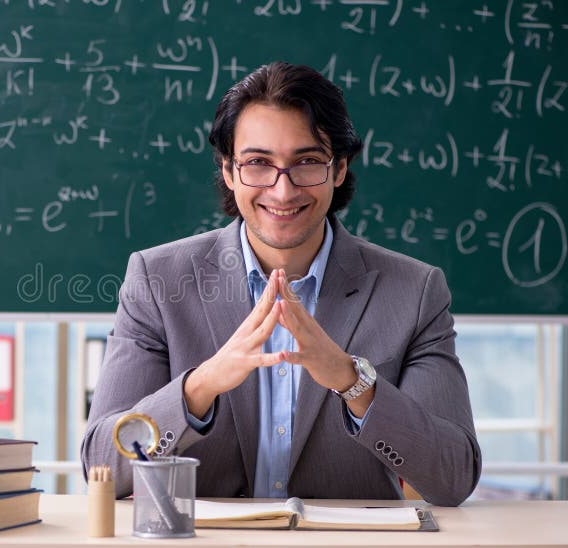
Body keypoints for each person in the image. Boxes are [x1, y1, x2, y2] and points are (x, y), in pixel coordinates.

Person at [81, 61, 481, 506]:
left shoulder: (415, 292)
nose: (283, 190)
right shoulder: (156, 281)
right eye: (258, 163)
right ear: (230, 172)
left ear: (340, 168)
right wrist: (202, 385)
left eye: (307, 162)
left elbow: (453, 477)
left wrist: (353, 383)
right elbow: (101, 464)